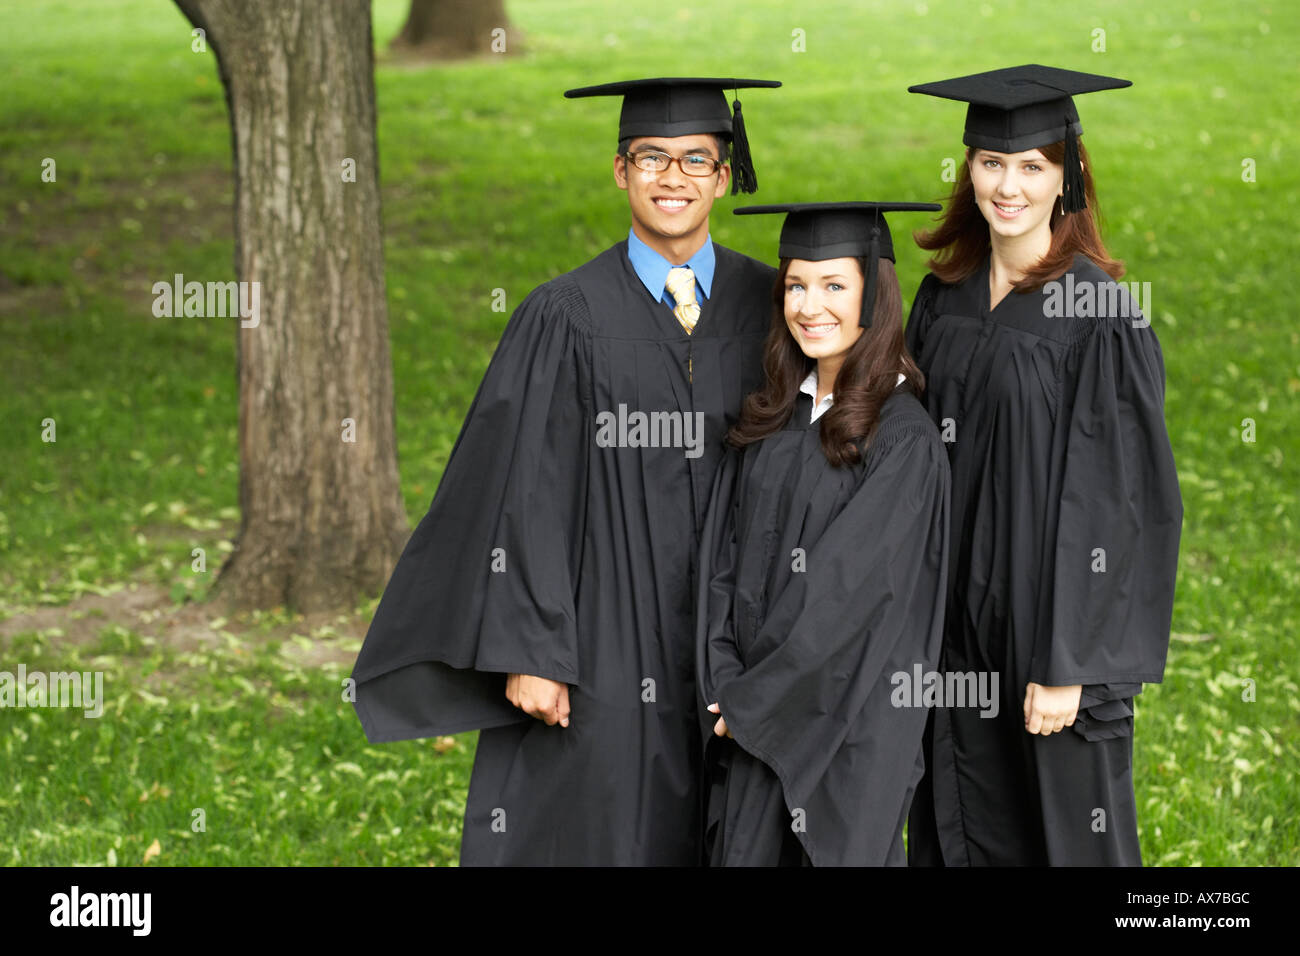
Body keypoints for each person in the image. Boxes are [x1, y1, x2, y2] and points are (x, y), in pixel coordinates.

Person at [348, 77, 782, 865]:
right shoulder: (566, 315)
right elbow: (523, 489)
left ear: (725, 176)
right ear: (621, 171)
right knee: (600, 821)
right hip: (605, 623)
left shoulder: (772, 306)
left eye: (695, 160)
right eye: (652, 158)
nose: (672, 178)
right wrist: (530, 650)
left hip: (734, 625)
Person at [903, 65, 1183, 865]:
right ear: (969, 170)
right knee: (961, 826)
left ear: (1068, 176)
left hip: (1046, 631)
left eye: (1032, 166)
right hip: (953, 630)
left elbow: (1118, 500)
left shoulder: (1097, 314)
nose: (1008, 184)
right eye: (992, 162)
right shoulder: (944, 299)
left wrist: (1072, 665)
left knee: (1070, 839)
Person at [696, 201, 950, 866]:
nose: (811, 306)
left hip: (846, 728)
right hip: (750, 714)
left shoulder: (903, 440)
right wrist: (723, 675)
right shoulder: (773, 417)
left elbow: (850, 601)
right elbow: (722, 561)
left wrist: (754, 701)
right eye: (796, 285)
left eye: (835, 285)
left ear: (875, 295)